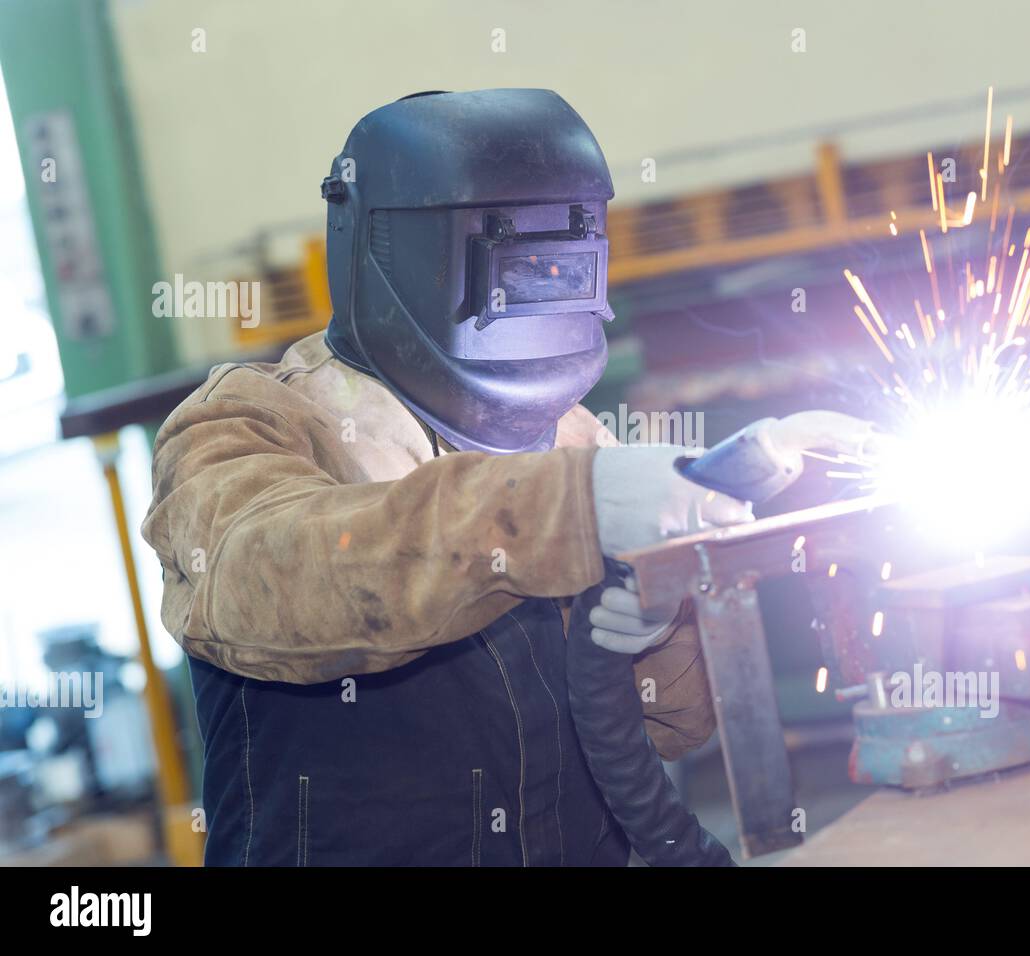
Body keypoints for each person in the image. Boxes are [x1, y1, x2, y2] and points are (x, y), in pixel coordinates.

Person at [142, 89, 867, 866]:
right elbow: (272, 574)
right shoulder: (251, 424)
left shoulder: (575, 438)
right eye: (521, 268)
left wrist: (657, 625)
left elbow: (673, 725)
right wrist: (569, 511)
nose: (541, 290)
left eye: (561, 266)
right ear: (389, 249)